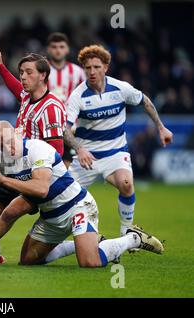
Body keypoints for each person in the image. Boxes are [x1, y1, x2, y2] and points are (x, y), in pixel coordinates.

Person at [0, 121, 164, 268]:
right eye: (1, 145)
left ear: (18, 133)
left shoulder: (38, 149)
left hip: (77, 207)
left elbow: (41, 188)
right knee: (27, 261)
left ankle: (132, 238)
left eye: (10, 142)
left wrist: (3, 180)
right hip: (50, 218)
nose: (8, 148)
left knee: (89, 262)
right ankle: (82, 243)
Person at [0, 43, 66, 265]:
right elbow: (14, 87)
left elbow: (57, 151)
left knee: (9, 213)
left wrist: (39, 178)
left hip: (37, 173)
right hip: (15, 166)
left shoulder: (52, 108)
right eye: (21, 73)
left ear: (43, 75)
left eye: (29, 73)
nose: (23, 78)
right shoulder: (27, 97)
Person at [63, 45, 173, 237]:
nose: (92, 72)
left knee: (126, 183)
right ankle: (62, 238)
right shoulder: (77, 96)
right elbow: (64, 129)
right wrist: (79, 149)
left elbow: (145, 101)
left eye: (96, 67)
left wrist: (161, 127)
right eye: (88, 68)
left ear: (106, 67)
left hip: (115, 152)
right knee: (64, 200)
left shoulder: (121, 88)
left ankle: (126, 230)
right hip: (86, 156)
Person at [46, 32, 85, 167]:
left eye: (61, 47)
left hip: (70, 127)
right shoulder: (42, 71)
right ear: (49, 49)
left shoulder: (78, 72)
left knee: (66, 167)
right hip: (47, 126)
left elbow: (85, 97)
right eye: (54, 47)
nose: (58, 50)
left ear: (67, 49)